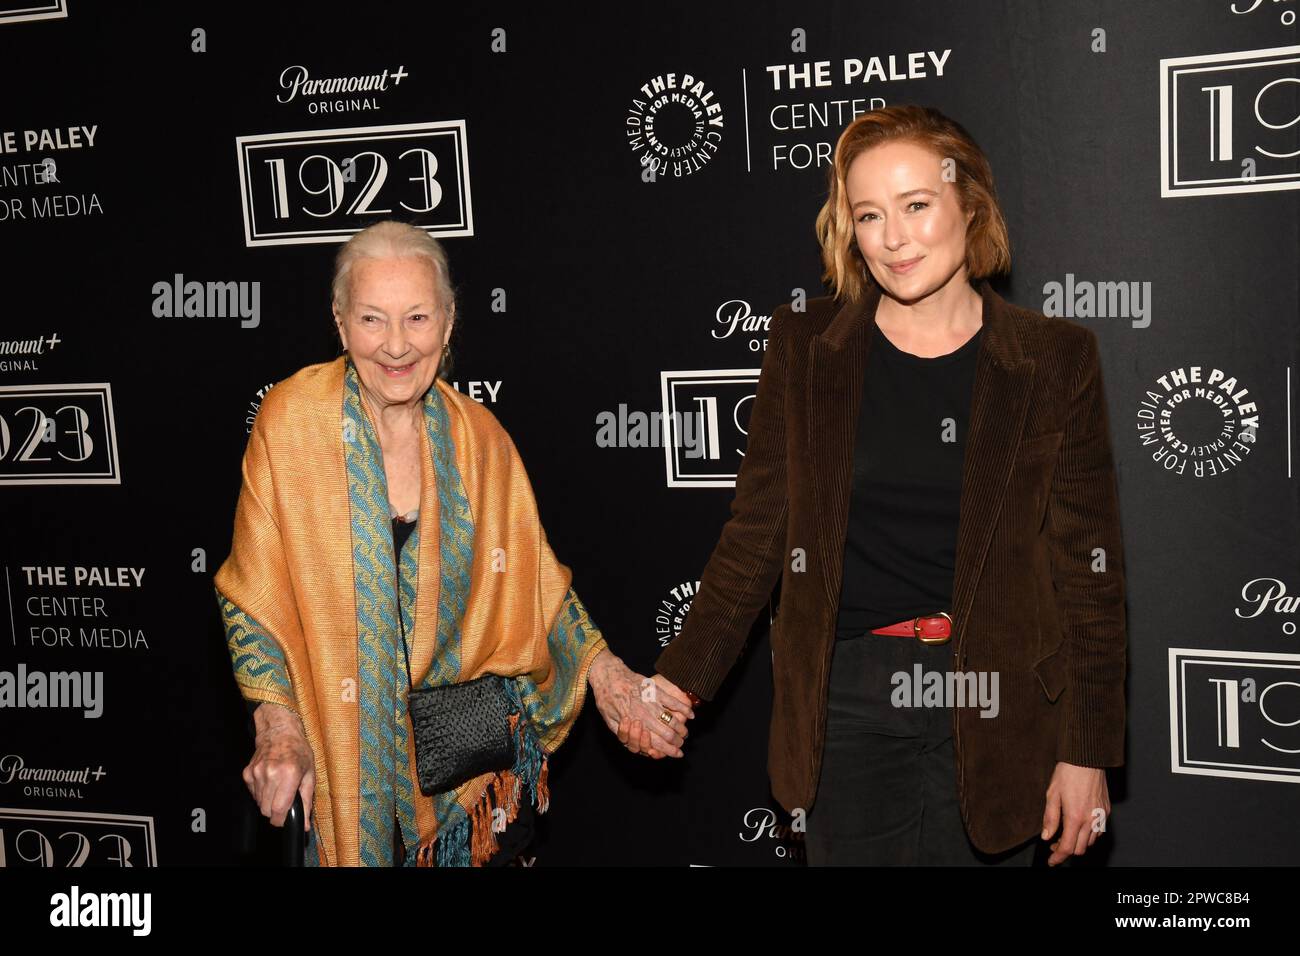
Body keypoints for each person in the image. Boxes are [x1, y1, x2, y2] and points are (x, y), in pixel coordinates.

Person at [644, 105, 1127, 866]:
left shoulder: (1054, 358)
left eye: (916, 205)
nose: (893, 237)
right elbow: (759, 533)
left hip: (1001, 701)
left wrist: (1089, 750)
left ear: (969, 203)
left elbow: (1088, 575)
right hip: (851, 701)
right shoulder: (806, 347)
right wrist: (679, 681)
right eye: (868, 214)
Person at [215, 220, 693, 866]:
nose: (395, 345)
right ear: (338, 320)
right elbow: (253, 597)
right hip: (328, 767)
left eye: (416, 317)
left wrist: (609, 681)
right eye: (371, 319)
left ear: (448, 321)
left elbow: (539, 588)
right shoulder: (288, 425)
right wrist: (277, 725)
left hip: (464, 797)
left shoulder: (481, 441)